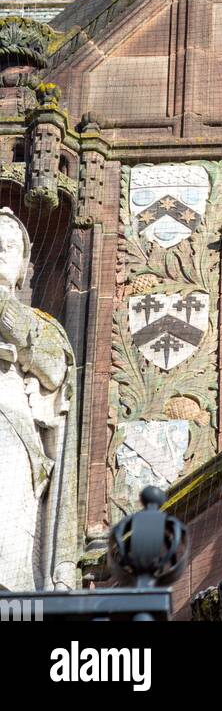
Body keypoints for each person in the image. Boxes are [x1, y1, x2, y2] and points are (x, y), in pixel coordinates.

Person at [0, 207, 77, 590]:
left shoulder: (42, 322)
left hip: (12, 422)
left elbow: (56, 368)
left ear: (23, 265)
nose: (0, 251)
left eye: (10, 246)